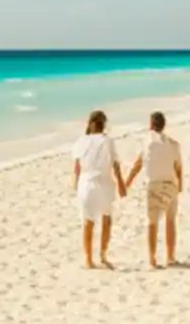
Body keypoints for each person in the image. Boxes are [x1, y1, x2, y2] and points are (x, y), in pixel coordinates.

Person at [125, 111, 183, 268]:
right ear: (164, 125)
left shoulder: (147, 143)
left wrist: (127, 183)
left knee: (152, 222)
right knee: (170, 221)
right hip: (171, 184)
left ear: (151, 124)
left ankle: (152, 259)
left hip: (154, 185)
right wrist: (180, 186)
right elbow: (178, 167)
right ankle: (170, 257)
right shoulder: (173, 144)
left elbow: (137, 165)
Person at [71, 110, 127, 269]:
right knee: (106, 219)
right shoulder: (108, 141)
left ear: (90, 124)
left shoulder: (81, 141)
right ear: (104, 125)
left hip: (86, 184)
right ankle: (102, 255)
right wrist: (121, 183)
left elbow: (77, 168)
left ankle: (89, 260)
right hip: (104, 183)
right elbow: (115, 165)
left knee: (88, 222)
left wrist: (76, 184)